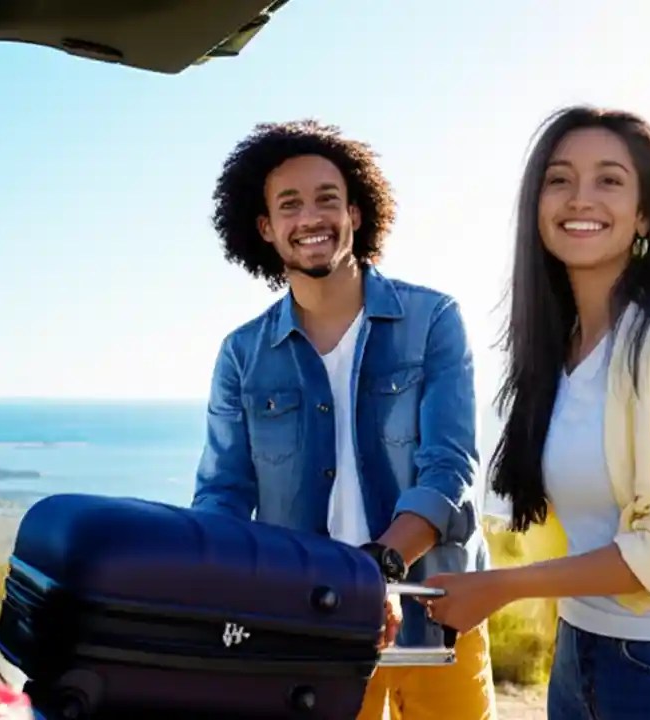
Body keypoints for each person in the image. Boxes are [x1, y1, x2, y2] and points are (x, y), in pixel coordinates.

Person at [420, 106, 650, 719]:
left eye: (609, 180)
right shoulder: (558, 353)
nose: (580, 198)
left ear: (645, 214)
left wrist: (499, 587)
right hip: (580, 652)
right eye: (559, 179)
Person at [191, 119, 496, 720]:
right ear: (265, 227)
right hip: (308, 631)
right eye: (289, 204)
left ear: (355, 213)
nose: (311, 217)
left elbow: (449, 467)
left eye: (327, 199)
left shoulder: (433, 320)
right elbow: (223, 495)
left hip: (438, 616)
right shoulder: (241, 354)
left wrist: (374, 570)